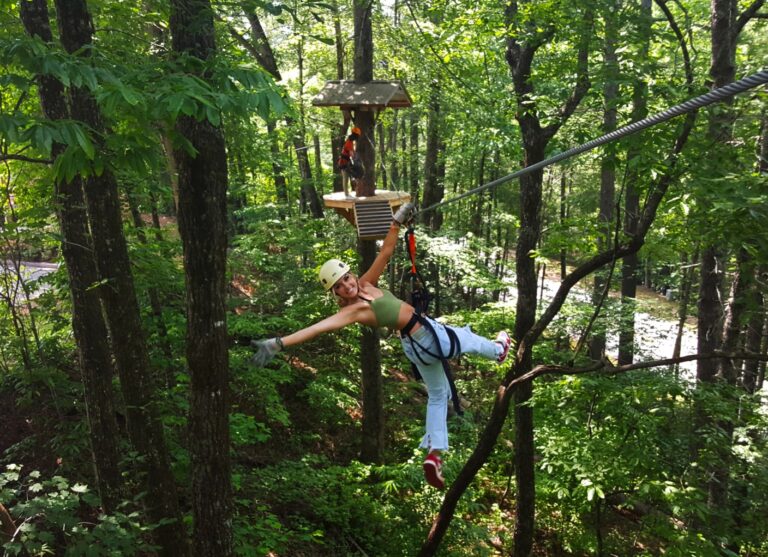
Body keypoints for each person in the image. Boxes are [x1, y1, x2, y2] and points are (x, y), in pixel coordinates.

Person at [251, 203, 511, 489]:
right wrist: (278, 343)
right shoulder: (350, 311)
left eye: (346, 278)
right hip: (425, 335)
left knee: (438, 395)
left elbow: (385, 253)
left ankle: (435, 454)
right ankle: (499, 350)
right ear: (335, 293)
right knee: (468, 338)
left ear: (351, 275)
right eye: (339, 286)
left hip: (415, 343)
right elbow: (316, 328)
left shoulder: (366, 283)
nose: (347, 285)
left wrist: (396, 222)